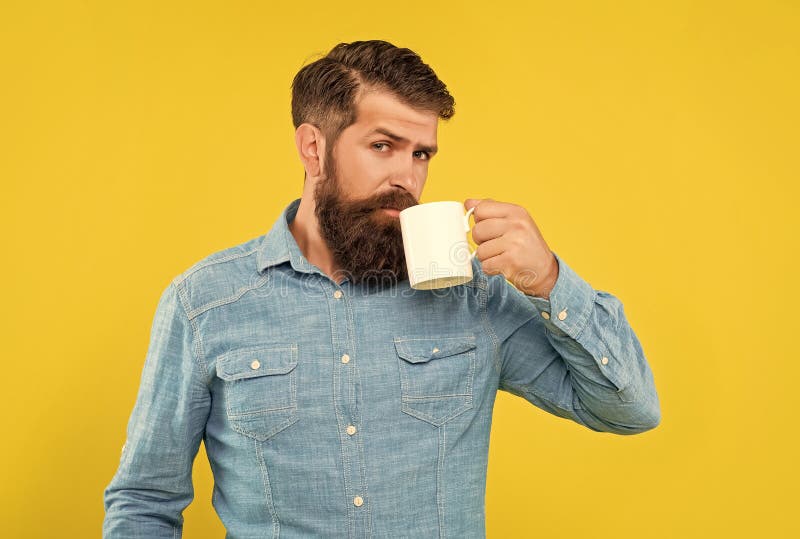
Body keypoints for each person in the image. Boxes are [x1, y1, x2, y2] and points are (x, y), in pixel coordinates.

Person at [103, 39, 660, 538]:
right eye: (383, 146)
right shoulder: (206, 304)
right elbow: (145, 500)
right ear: (313, 148)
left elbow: (628, 408)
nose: (408, 178)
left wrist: (549, 282)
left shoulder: (475, 298)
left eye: (421, 154)